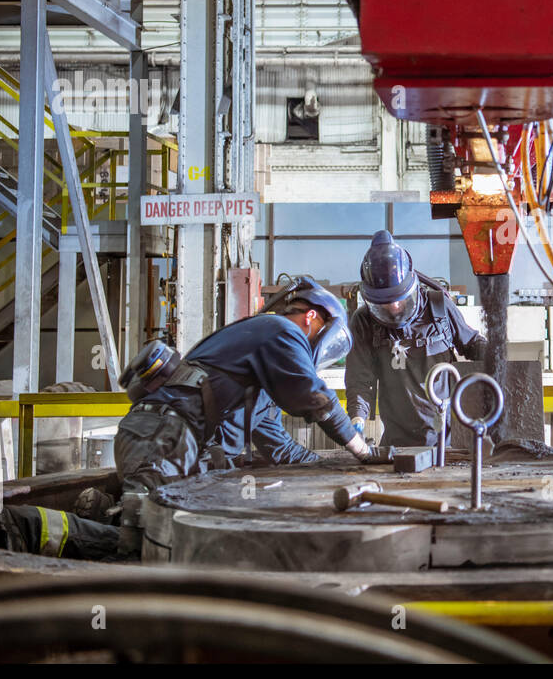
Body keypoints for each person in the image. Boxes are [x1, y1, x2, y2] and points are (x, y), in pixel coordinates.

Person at [114, 276, 379, 552]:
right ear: (310, 317)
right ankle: (65, 529)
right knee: (144, 546)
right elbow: (317, 398)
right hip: (162, 438)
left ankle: (96, 512)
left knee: (163, 546)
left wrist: (334, 468)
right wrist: (361, 450)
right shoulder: (280, 329)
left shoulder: (258, 376)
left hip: (164, 439)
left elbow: (280, 449)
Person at [345, 230, 487, 448]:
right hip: (397, 443)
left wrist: (499, 359)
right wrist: (356, 420)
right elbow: (359, 380)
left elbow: (472, 344)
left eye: (399, 299)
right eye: (384, 303)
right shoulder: (364, 322)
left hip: (450, 440)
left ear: (412, 285)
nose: (393, 307)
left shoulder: (438, 307)